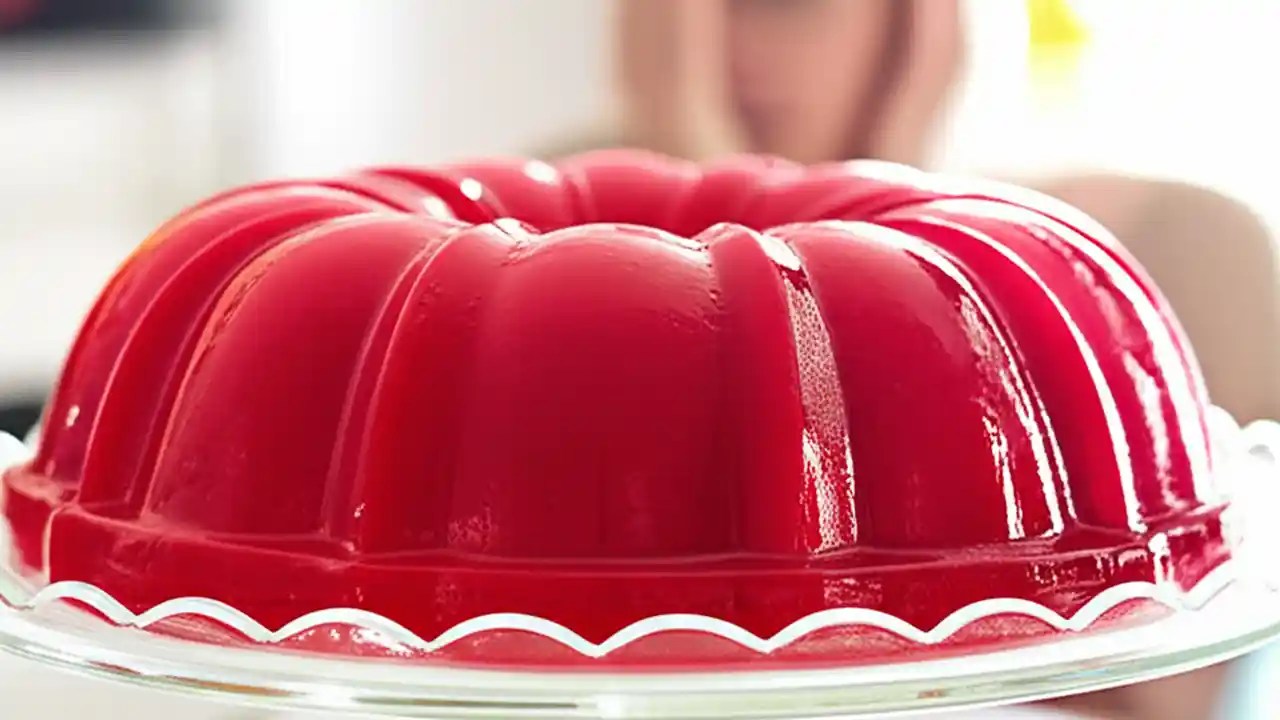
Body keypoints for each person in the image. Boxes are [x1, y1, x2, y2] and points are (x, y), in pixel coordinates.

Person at [549, 1, 1280, 718]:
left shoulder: (1175, 250)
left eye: (779, 5)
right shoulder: (548, 277)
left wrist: (878, 237)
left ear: (915, 22)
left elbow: (1163, 699)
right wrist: (708, 223)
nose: (722, 50)